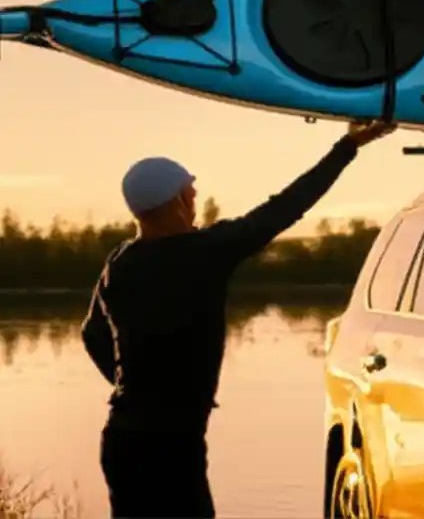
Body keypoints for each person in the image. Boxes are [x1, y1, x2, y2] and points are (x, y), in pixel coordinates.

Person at [80, 119, 396, 518]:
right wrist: (346, 147)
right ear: (177, 201)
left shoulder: (119, 262)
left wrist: (137, 386)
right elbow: (285, 208)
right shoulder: (205, 252)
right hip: (174, 443)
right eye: (191, 195)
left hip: (123, 437)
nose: (195, 203)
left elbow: (91, 335)